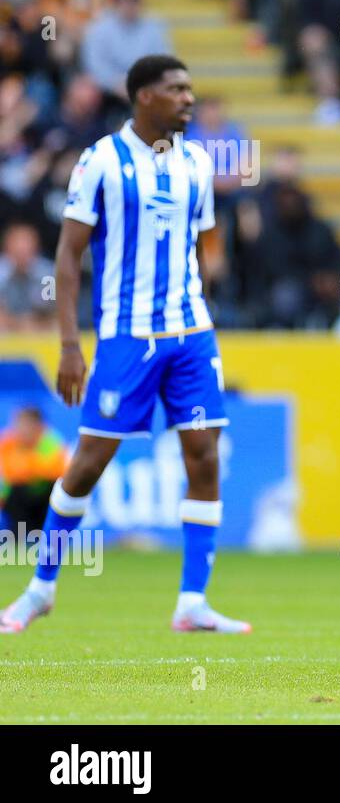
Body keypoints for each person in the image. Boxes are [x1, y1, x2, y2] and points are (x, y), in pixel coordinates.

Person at [0, 54, 250, 635]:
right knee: (88, 462)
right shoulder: (103, 161)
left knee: (204, 455)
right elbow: (67, 255)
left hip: (190, 336)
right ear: (143, 97)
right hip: (125, 337)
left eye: (191, 88)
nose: (190, 99)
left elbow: (201, 246)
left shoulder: (195, 161)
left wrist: (204, 308)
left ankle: (192, 602)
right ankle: (40, 589)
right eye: (177, 89)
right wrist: (69, 345)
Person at [0, 407, 69, 540]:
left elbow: (56, 472)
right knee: (16, 493)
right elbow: (8, 474)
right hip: (16, 499)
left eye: (26, 426)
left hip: (45, 497)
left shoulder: (51, 442)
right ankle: (16, 540)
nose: (22, 431)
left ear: (38, 426)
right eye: (19, 425)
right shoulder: (7, 442)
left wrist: (26, 467)